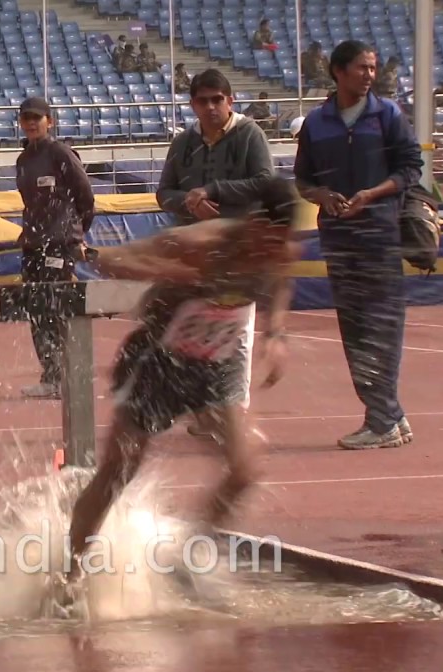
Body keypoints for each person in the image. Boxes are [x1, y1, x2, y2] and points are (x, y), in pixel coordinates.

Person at [59, 177, 300, 594]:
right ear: (251, 223)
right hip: (157, 360)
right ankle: (71, 572)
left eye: (278, 244)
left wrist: (275, 335)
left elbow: (280, 283)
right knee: (119, 470)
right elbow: (108, 260)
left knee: (244, 470)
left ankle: (188, 560)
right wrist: (168, 272)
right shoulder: (200, 243)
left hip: (212, 366)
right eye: (264, 239)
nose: (268, 251)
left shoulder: (279, 252)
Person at [293, 39, 423, 450]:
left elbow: (411, 169)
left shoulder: (387, 115)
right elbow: (303, 179)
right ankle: (389, 414)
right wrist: (323, 196)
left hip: (380, 235)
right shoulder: (317, 123)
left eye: (372, 67)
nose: (369, 74)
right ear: (337, 71)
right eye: (361, 68)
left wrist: (372, 194)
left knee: (383, 325)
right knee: (355, 329)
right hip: (339, 238)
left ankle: (381, 418)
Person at [155, 69, 276, 441]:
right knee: (194, 331)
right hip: (194, 252)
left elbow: (264, 182)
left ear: (230, 101)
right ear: (192, 104)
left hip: (239, 250)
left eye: (217, 100)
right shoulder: (183, 143)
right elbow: (164, 193)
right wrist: (190, 202)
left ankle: (234, 411)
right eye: (202, 101)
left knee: (236, 338)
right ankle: (203, 408)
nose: (210, 107)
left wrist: (212, 191)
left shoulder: (249, 134)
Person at [12, 97, 95, 400]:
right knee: (36, 310)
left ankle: (67, 377)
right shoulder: (23, 160)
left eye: (37, 118)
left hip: (59, 245)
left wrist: (74, 235)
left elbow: (86, 197)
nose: (32, 123)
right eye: (26, 118)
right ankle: (51, 376)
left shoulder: (60, 153)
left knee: (57, 309)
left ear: (50, 121)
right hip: (33, 243)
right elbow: (30, 203)